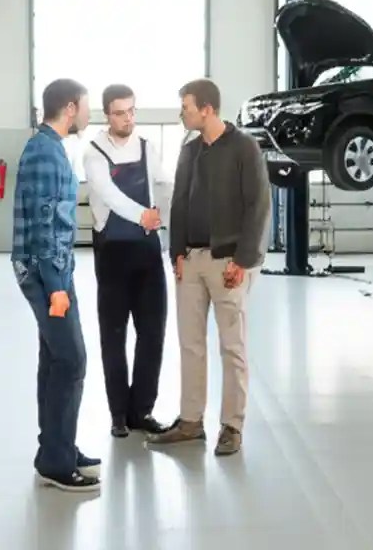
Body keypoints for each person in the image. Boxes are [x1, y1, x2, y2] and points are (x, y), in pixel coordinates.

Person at [149, 78, 271, 457]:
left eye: (186, 106)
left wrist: (243, 260)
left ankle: (232, 426)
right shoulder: (188, 150)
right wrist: (177, 252)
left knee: (232, 347)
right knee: (190, 344)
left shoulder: (244, 147)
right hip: (192, 260)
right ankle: (190, 421)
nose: (182, 113)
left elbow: (258, 206)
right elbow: (179, 203)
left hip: (229, 262)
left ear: (207, 108)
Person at [11, 78, 102, 493]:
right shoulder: (47, 153)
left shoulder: (49, 148)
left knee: (54, 360)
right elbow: (47, 228)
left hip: (53, 270)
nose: (87, 113)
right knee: (71, 361)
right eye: (85, 106)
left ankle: (56, 448)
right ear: (69, 108)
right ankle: (56, 460)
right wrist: (57, 287)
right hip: (48, 274)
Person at [82, 84, 172, 439]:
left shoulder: (147, 148)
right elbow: (109, 194)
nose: (127, 118)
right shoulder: (94, 152)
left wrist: (160, 214)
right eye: (120, 113)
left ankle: (142, 411)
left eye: (132, 111)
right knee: (114, 335)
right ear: (107, 114)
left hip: (148, 253)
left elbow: (164, 184)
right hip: (113, 253)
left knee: (152, 334)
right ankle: (118, 413)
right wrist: (143, 215)